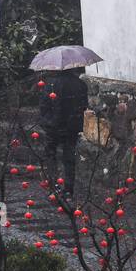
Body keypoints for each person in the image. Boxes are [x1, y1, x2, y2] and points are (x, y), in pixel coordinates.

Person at [39, 67, 89, 195]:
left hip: (54, 125)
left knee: (51, 154)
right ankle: (69, 188)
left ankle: (53, 185)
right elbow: (84, 105)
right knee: (69, 156)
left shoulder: (51, 84)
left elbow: (44, 105)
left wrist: (47, 122)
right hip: (72, 125)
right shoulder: (80, 84)